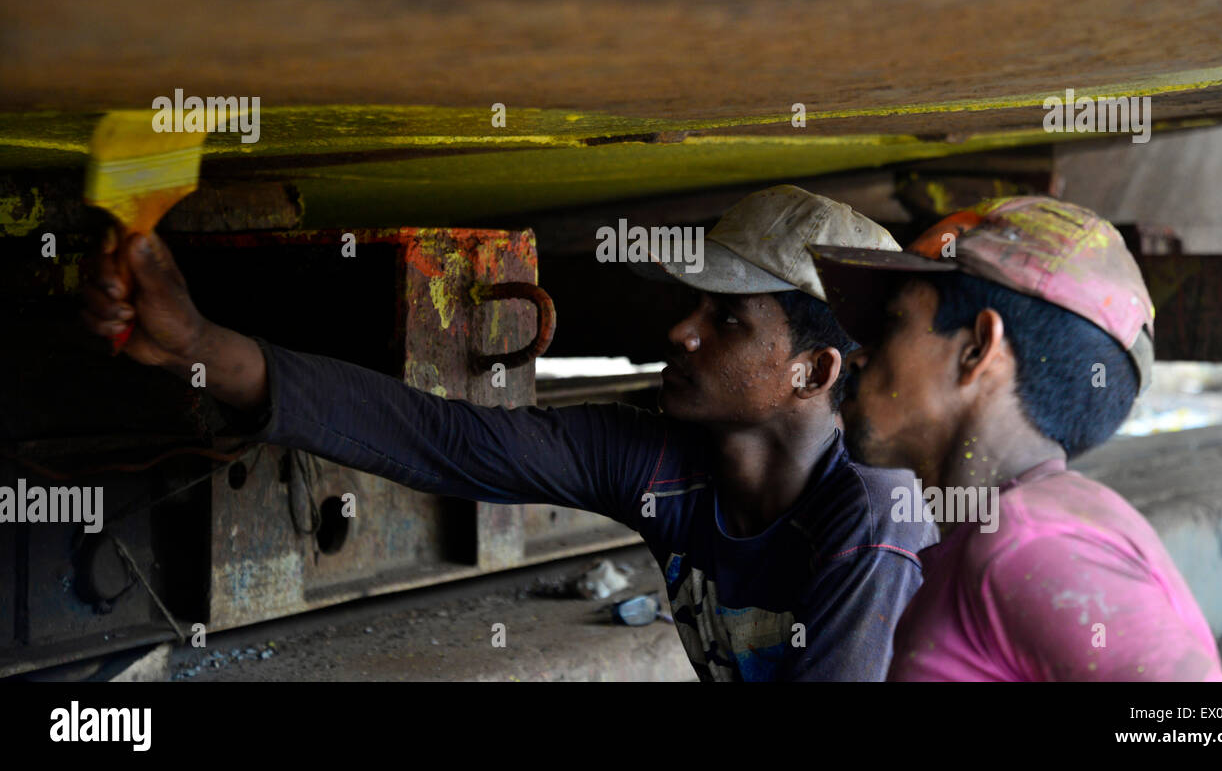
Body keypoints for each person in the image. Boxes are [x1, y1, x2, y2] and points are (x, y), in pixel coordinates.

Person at [82, 184, 935, 681]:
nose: (682, 332)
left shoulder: (872, 518)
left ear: (814, 372)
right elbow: (437, 437)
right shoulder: (667, 461)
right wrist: (195, 345)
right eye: (693, 305)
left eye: (727, 321)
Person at [810, 195, 1222, 681]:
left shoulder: (1029, 545)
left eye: (894, 324)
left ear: (977, 349)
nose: (860, 358)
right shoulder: (1018, 528)